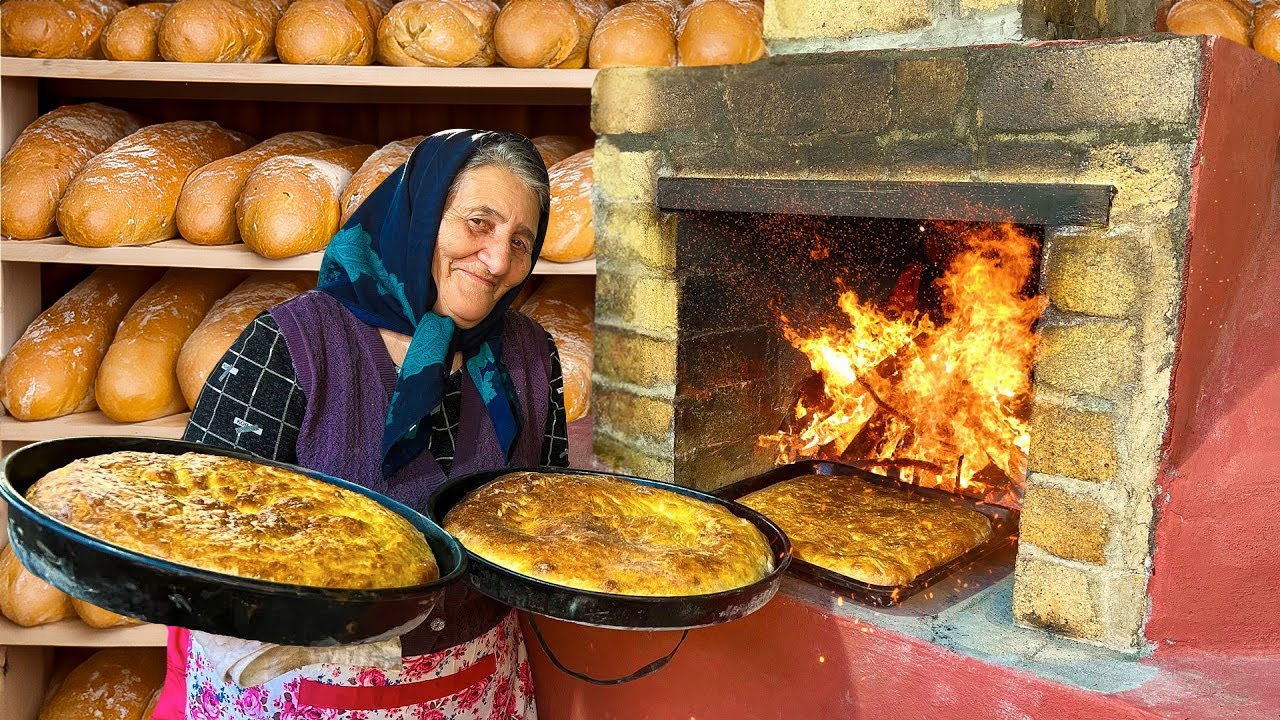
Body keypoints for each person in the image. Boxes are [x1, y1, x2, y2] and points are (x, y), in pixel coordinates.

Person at [152, 129, 567, 719]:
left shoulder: (530, 355)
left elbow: (545, 517)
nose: (499, 259)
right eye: (479, 222)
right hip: (299, 688)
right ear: (422, 213)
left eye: (520, 241)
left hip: (474, 688)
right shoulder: (293, 344)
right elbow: (193, 523)